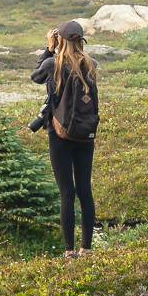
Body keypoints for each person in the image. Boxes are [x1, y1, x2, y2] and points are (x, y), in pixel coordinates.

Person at [31, 20, 100, 259]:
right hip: (84, 134)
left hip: (59, 133)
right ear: (81, 40)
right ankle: (87, 248)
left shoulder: (53, 63)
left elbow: (35, 77)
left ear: (59, 39)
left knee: (66, 193)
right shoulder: (90, 65)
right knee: (85, 190)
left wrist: (49, 48)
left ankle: (70, 251)